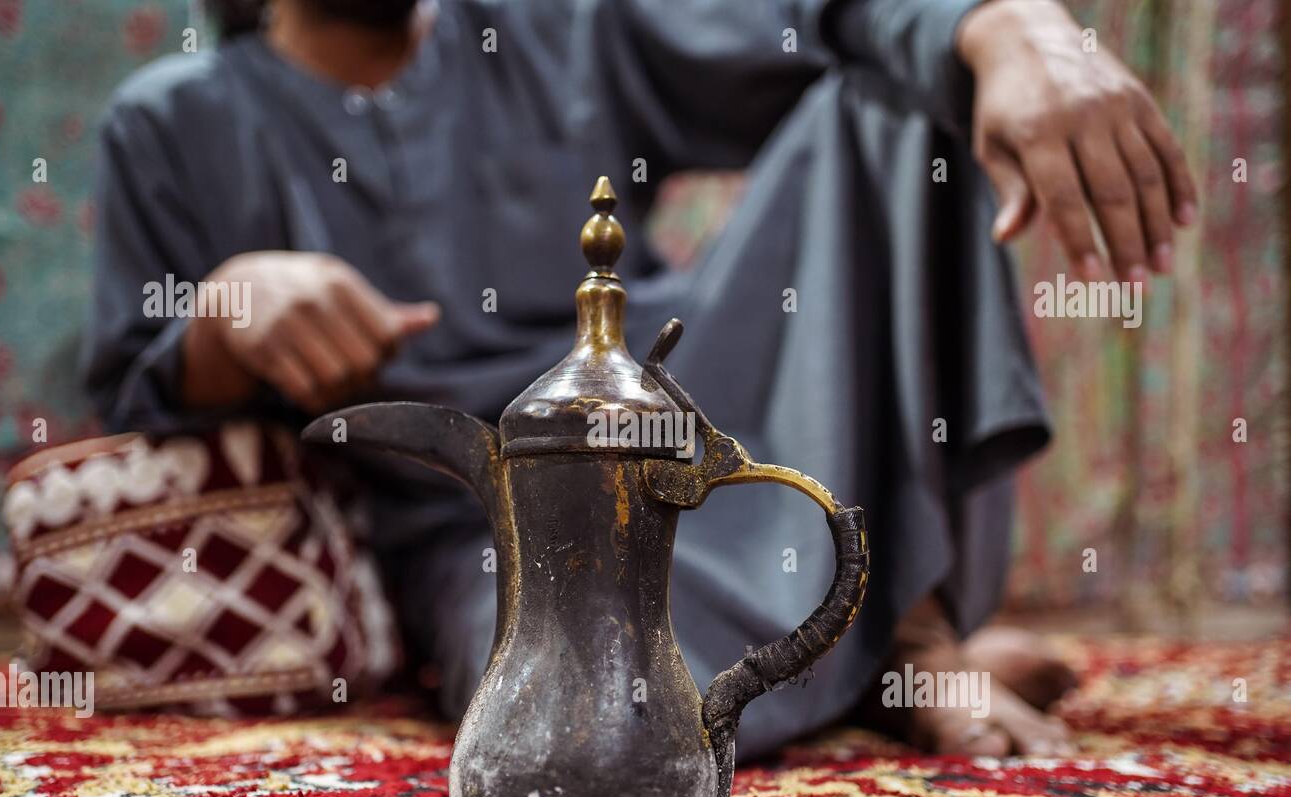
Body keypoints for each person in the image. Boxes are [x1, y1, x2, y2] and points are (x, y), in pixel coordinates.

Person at [81, 0, 1196, 758]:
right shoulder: (169, 121)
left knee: (903, 92)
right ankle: (852, 665)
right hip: (487, 515)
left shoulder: (558, 21)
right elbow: (132, 389)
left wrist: (1011, 26)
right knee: (575, 729)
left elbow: (823, 14)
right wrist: (229, 309)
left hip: (685, 410)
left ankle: (909, 630)